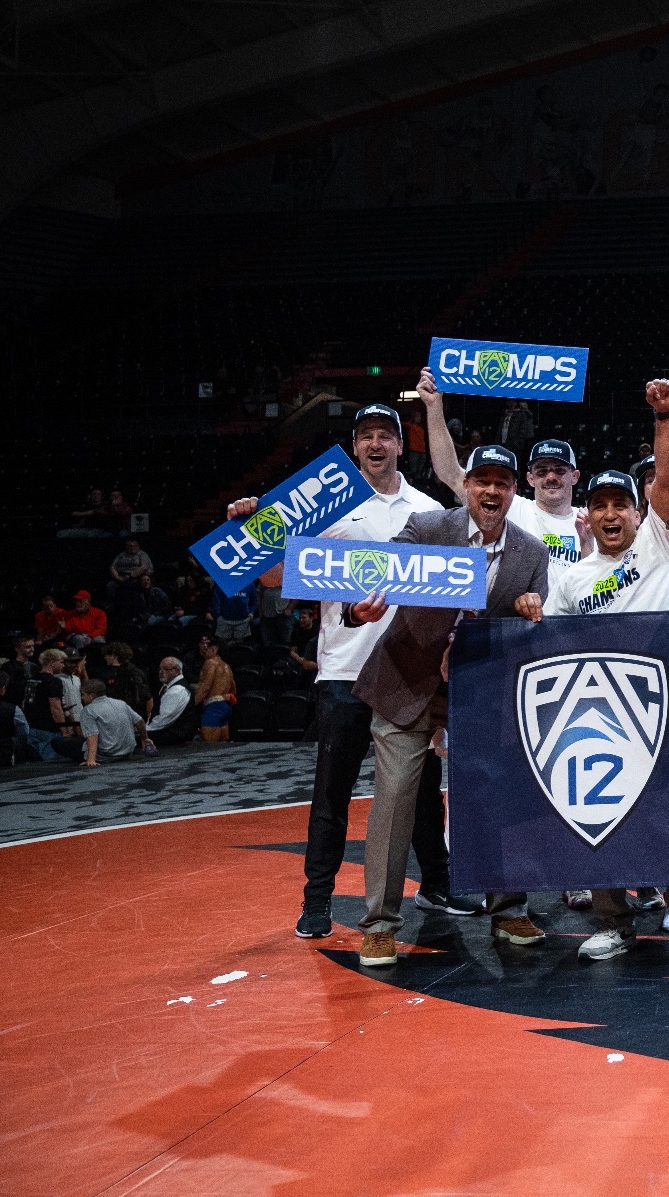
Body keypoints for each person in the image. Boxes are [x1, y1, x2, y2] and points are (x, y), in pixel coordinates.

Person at [224, 402, 457, 940]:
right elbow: (275, 579)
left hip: (408, 670)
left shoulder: (428, 511)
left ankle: (438, 884)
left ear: (403, 444)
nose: (376, 444)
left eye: (386, 435)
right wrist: (252, 527)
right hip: (345, 667)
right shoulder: (322, 510)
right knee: (332, 791)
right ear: (354, 447)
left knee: (422, 791)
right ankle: (316, 902)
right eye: (366, 436)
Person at [342, 443, 550, 968]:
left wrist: (530, 609)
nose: (491, 491)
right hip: (408, 682)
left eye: (502, 483)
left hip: (481, 692)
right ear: (465, 486)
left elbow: (533, 627)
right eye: (482, 481)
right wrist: (356, 610)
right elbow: (372, 578)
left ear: (513, 492)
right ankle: (380, 925)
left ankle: (508, 908)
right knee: (393, 804)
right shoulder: (427, 528)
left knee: (499, 801)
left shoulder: (531, 553)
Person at [542, 451, 669, 961]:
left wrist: (664, 416)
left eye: (621, 505)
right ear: (588, 516)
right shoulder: (572, 578)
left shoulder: (662, 548)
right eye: (600, 506)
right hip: (600, 717)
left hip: (666, 708)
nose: (611, 515)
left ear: (639, 515)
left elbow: (665, 485)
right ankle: (613, 922)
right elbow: (548, 644)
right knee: (600, 817)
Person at [422, 370, 584, 572]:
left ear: (575, 476)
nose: (551, 477)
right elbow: (451, 473)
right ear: (530, 478)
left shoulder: (588, 521)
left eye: (559, 470)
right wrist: (434, 406)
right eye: (542, 471)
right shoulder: (513, 507)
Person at [23, 648, 82, 761]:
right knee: (53, 763)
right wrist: (64, 730)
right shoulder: (54, 681)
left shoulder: (31, 680)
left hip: (32, 728)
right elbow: (55, 707)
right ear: (51, 662)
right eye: (61, 662)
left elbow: (25, 703)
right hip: (49, 729)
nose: (63, 666)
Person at [77, 678, 146, 767]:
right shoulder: (121, 703)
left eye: (83, 695)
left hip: (106, 755)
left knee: (60, 742)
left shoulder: (88, 710)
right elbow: (140, 721)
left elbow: (92, 735)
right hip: (127, 753)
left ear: (92, 695)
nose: (82, 698)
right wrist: (144, 739)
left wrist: (91, 760)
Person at [190, 633, 236, 742]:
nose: (205, 649)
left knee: (210, 748)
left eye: (208, 647)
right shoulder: (226, 666)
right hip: (224, 706)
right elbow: (233, 689)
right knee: (222, 747)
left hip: (213, 706)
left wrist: (190, 706)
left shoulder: (210, 662)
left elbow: (205, 687)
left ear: (215, 649)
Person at [148, 656, 196, 747]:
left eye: (166, 669)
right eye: (160, 669)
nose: (160, 672)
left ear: (177, 671)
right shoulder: (168, 687)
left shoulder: (177, 690)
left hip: (173, 735)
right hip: (170, 732)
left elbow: (164, 719)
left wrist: (144, 731)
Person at [99, 641, 150, 718]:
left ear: (113, 656)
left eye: (107, 655)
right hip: (136, 716)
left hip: (115, 716)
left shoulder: (105, 674)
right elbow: (149, 699)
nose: (105, 657)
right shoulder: (138, 671)